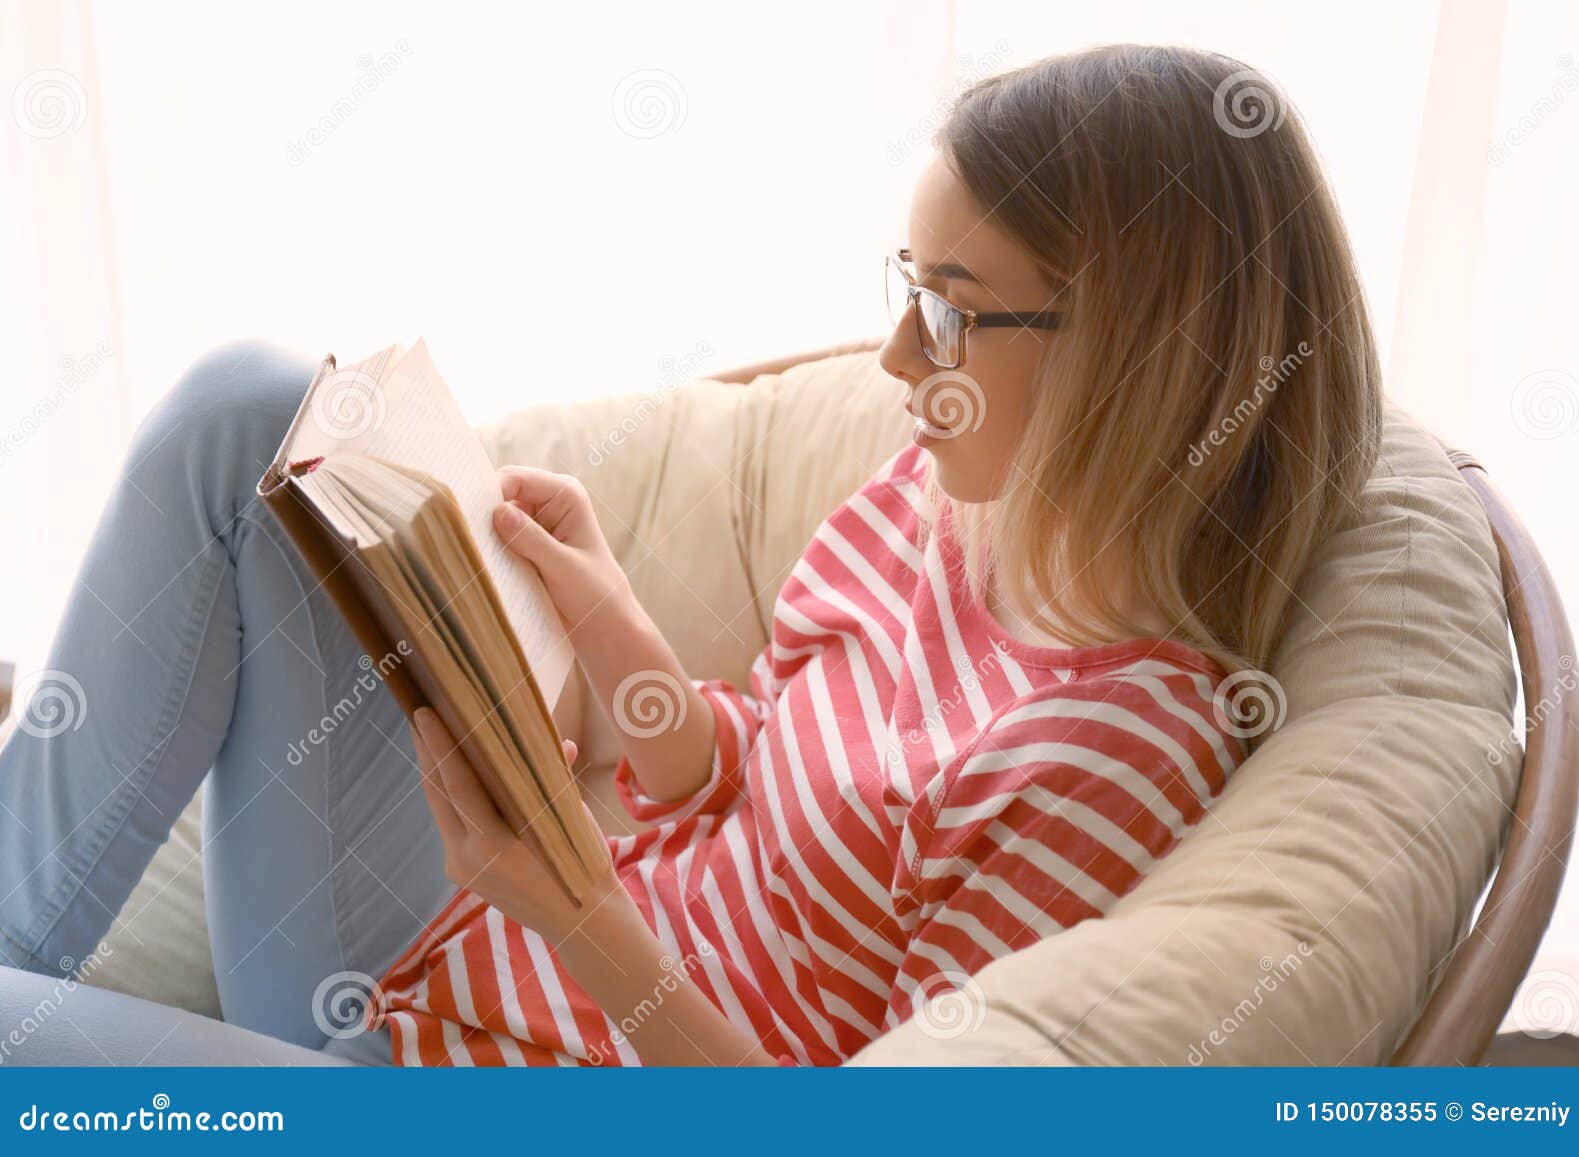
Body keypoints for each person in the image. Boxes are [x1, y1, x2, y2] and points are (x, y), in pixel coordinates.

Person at [0, 44, 1380, 1065]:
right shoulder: (939, 495)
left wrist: (583, 914)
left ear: (1132, 358)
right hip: (476, 949)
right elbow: (741, 774)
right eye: (906, 289)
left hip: (505, 1079)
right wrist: (612, 628)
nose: (894, 358)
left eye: (953, 316)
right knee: (249, 403)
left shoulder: (1112, 752)